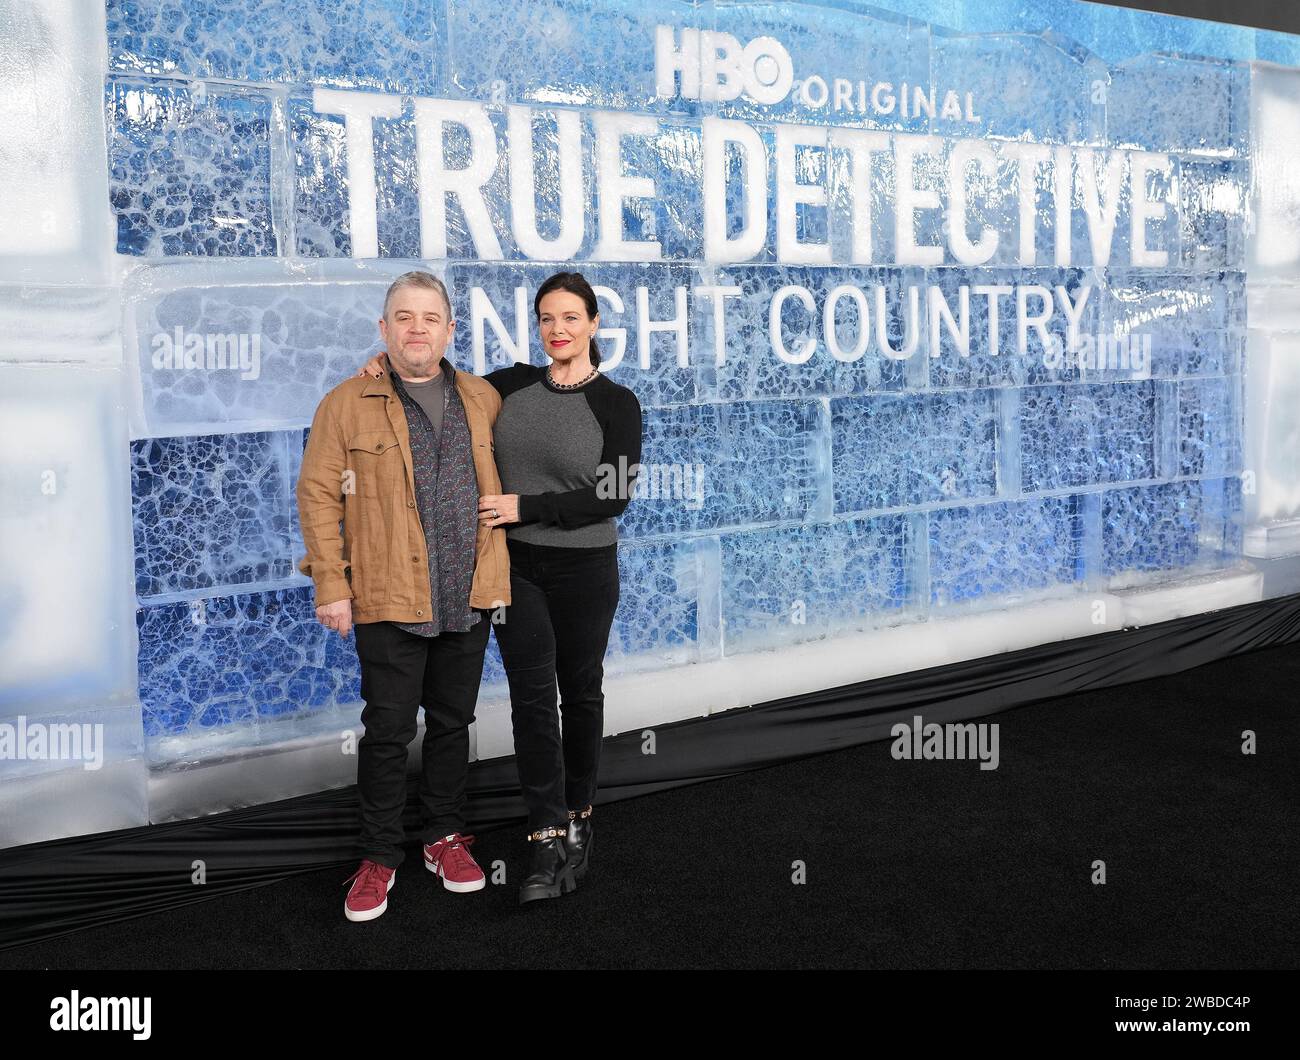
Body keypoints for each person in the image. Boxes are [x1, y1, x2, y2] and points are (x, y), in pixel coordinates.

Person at [358, 271, 643, 904]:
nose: (558, 330)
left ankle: (580, 816)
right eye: (546, 319)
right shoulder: (510, 385)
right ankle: (544, 834)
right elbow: (437, 379)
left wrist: (526, 506)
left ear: (594, 325)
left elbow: (614, 494)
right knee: (532, 700)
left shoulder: (618, 402)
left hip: (585, 569)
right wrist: (390, 358)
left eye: (571, 318)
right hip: (517, 570)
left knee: (582, 692)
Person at [297, 270, 511, 922]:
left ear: (450, 330)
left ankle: (443, 837)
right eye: (403, 317)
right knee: (388, 732)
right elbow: (316, 494)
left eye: (429, 317)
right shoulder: (346, 402)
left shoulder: (484, 398)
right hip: (386, 596)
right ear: (383, 329)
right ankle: (380, 856)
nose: (417, 328)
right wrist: (332, 585)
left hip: (467, 593)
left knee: (451, 725)